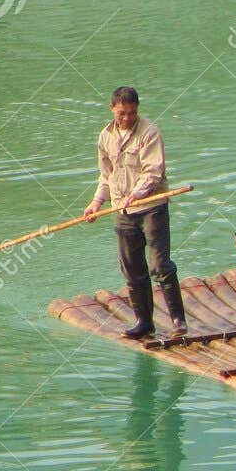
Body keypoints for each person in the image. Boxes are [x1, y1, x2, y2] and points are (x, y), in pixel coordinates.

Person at [83, 86, 187, 340]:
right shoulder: (105, 137)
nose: (127, 118)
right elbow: (106, 175)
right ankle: (144, 322)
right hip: (122, 210)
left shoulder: (149, 132)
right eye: (122, 113)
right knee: (131, 267)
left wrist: (137, 193)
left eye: (131, 113)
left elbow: (153, 171)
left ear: (137, 109)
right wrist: (96, 202)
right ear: (112, 109)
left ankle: (178, 321)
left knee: (160, 265)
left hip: (152, 207)